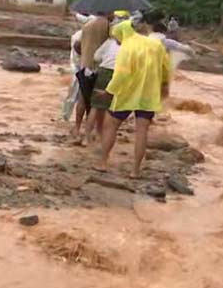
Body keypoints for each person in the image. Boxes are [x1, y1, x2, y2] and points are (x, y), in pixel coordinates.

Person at [96, 19, 172, 178]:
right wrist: (164, 86)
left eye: (116, 38)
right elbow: (166, 69)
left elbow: (121, 75)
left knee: (111, 125)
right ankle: (135, 170)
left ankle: (103, 163)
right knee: (142, 131)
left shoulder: (126, 47)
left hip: (127, 93)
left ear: (121, 34)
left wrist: (109, 92)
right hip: (149, 94)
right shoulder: (156, 45)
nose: (117, 42)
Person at [82, 21, 127, 145]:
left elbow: (96, 57)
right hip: (119, 74)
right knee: (110, 108)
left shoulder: (109, 42)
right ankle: (101, 135)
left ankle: (87, 137)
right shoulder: (129, 45)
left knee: (96, 106)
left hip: (103, 72)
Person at [72, 12, 112, 140]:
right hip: (99, 67)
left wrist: (85, 54)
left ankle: (77, 129)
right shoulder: (109, 27)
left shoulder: (87, 25)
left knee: (82, 99)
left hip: (84, 65)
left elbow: (77, 45)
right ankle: (93, 132)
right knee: (98, 103)